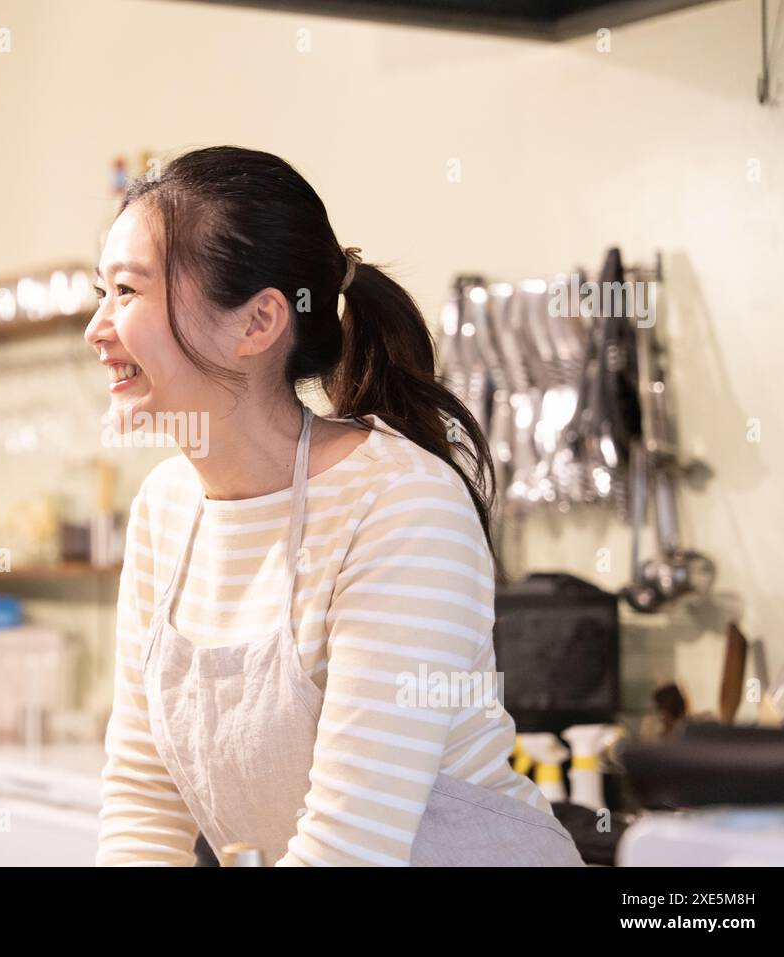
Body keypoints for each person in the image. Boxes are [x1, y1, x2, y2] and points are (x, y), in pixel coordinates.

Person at [86, 145, 583, 867]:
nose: (97, 329)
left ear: (257, 323)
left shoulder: (399, 506)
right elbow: (142, 803)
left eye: (127, 292)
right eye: (101, 292)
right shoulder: (165, 509)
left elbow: (348, 850)